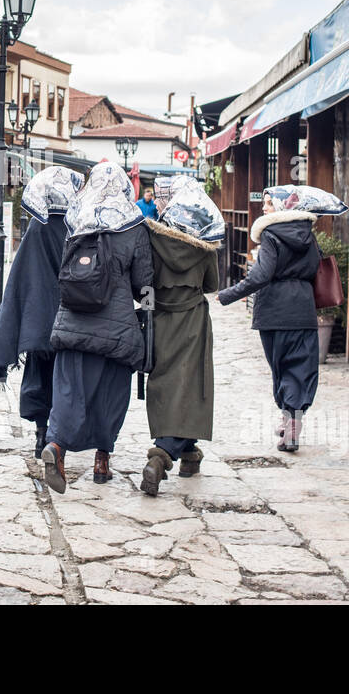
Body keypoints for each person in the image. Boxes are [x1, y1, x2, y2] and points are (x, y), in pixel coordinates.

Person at [43, 162, 153, 493]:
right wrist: (147, 311)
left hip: (73, 323)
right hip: (118, 331)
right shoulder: (135, 225)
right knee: (111, 396)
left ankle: (56, 447)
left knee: (68, 392)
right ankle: (102, 461)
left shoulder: (76, 221)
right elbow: (143, 282)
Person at [0, 166, 85, 458]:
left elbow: (22, 276)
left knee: (40, 377)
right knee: (66, 380)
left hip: (40, 320)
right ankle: (57, 437)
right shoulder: (77, 227)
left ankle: (42, 435)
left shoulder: (36, 227)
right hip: (71, 318)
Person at [216, 186, 322, 453]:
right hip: (303, 309)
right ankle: (292, 421)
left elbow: (260, 276)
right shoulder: (309, 236)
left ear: (282, 206)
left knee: (281, 366)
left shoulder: (271, 236)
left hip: (275, 310)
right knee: (300, 368)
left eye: (268, 204)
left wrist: (228, 294)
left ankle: (289, 422)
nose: (263, 209)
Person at [140, 176, 224, 495]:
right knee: (190, 382)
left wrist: (149, 308)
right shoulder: (203, 239)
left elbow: (143, 281)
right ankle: (161, 456)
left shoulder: (150, 235)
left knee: (165, 382)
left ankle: (189, 452)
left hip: (160, 318)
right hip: (192, 319)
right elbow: (211, 285)